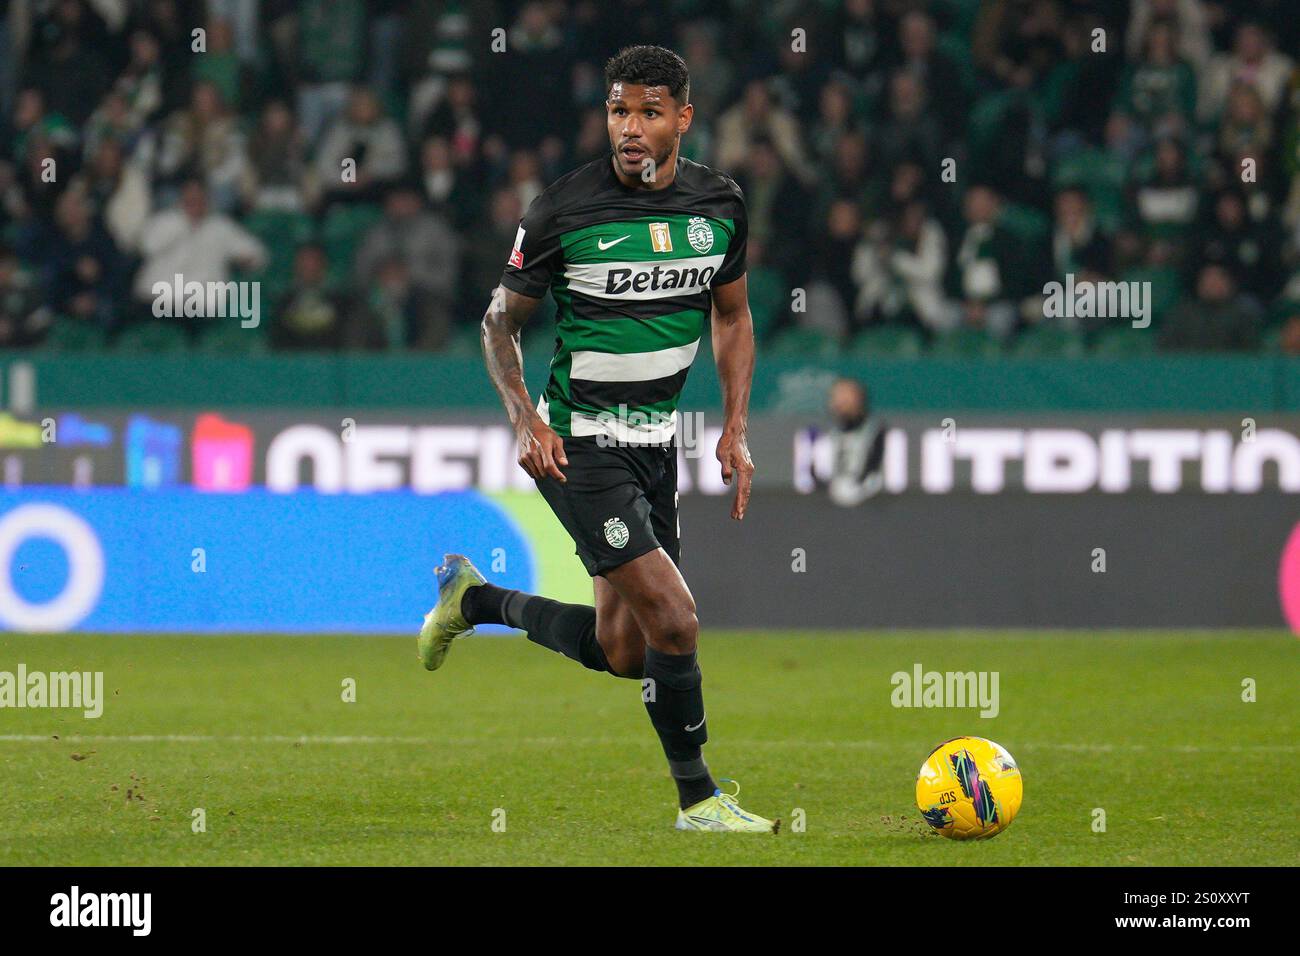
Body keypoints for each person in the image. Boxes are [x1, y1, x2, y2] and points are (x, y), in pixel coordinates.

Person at [417, 45, 776, 833]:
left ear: (683, 118)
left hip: (656, 445)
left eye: (650, 112)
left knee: (630, 651)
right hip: (578, 443)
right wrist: (525, 418)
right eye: (619, 111)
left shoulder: (719, 206)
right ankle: (700, 801)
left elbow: (734, 313)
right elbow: (497, 323)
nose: (631, 128)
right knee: (677, 621)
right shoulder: (561, 209)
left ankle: (474, 600)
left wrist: (735, 428)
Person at [826, 378, 887, 507]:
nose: (840, 402)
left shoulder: (877, 432)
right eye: (836, 397)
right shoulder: (827, 433)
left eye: (846, 396)